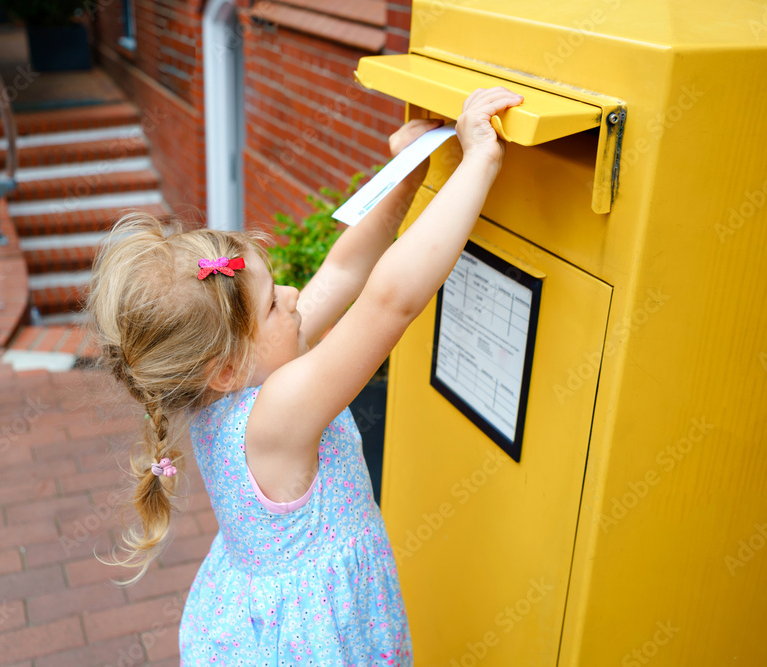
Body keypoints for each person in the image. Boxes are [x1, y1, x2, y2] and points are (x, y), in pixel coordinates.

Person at [86, 86, 524, 666]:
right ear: (223, 369)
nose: (293, 297)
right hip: (312, 636)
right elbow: (388, 302)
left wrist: (408, 172)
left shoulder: (249, 374)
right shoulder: (278, 408)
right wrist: (479, 162)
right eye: (272, 303)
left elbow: (343, 271)